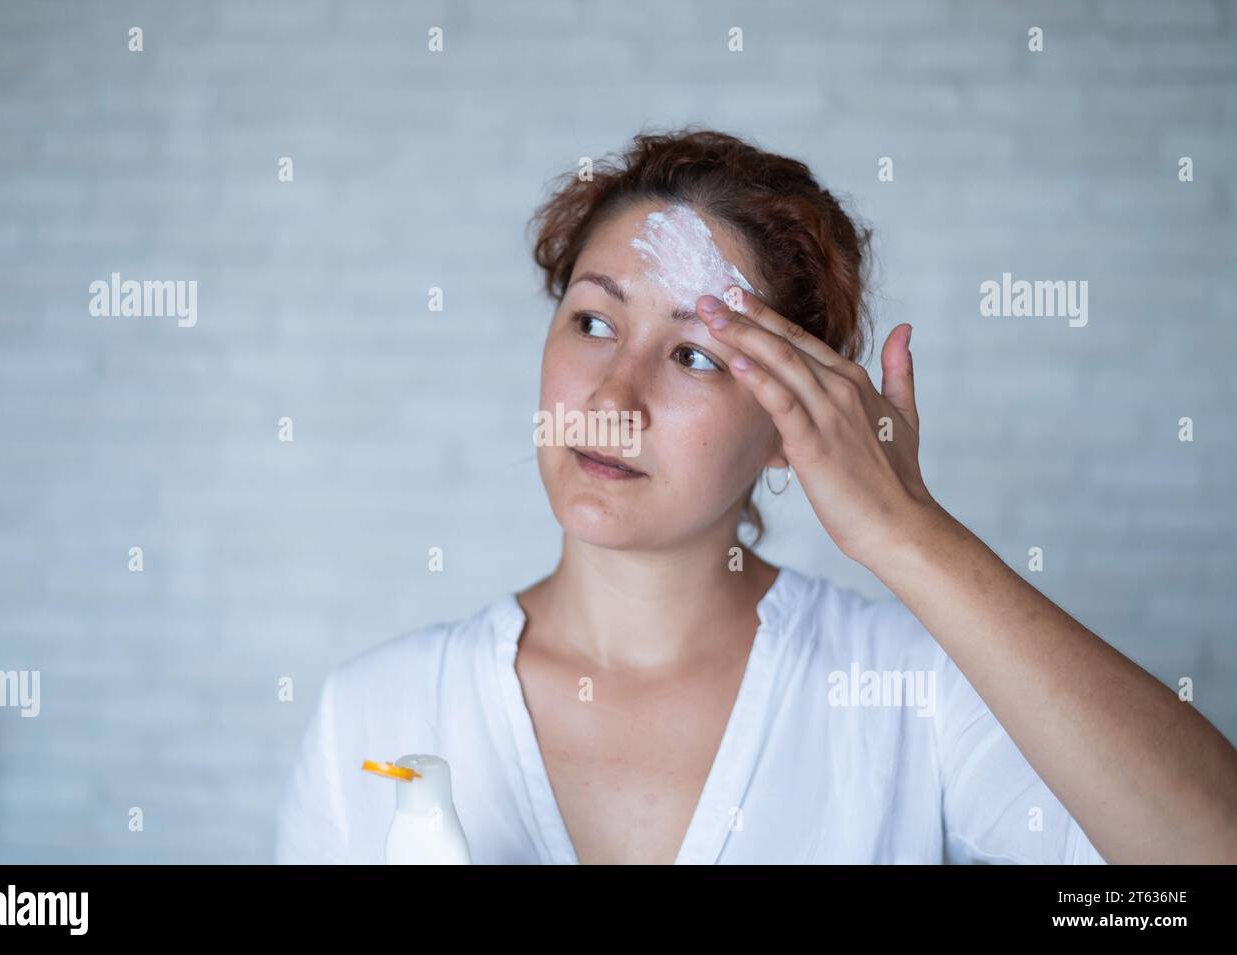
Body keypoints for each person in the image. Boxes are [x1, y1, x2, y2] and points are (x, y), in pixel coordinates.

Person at [276, 127, 1237, 864]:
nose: (614, 400)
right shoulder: (375, 715)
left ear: (790, 423)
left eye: (693, 353)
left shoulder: (910, 693)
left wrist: (912, 535)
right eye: (594, 321)